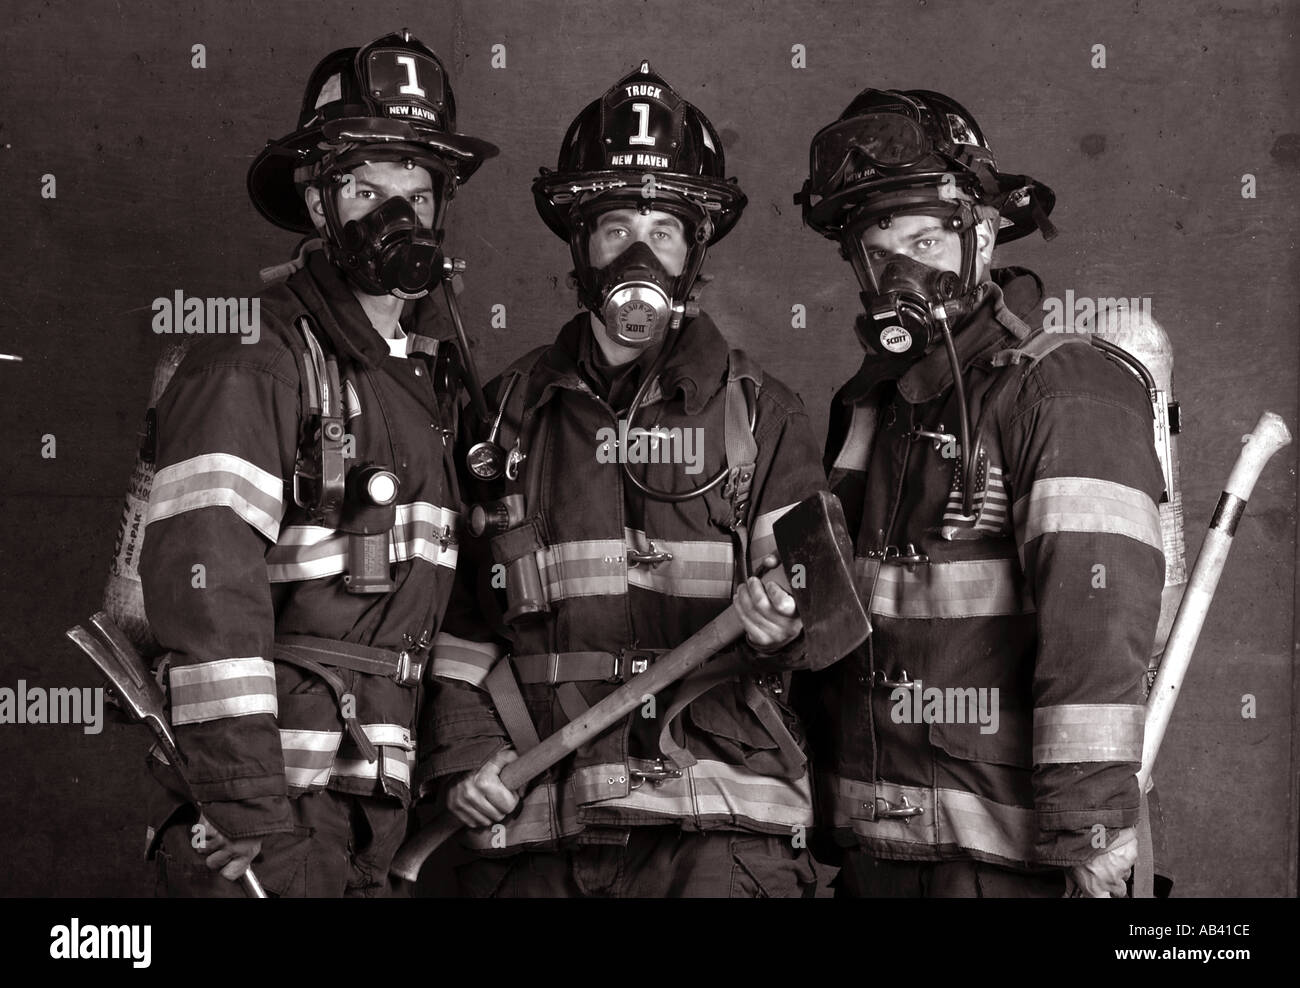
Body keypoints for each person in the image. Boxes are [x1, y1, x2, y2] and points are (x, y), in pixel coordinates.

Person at [422, 61, 828, 897]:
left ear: (692, 254)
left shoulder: (761, 413)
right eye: (614, 228)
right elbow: (460, 624)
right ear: (581, 248)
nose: (638, 252)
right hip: (542, 828)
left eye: (663, 230)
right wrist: (466, 760)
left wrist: (780, 619)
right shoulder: (507, 417)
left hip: (715, 833)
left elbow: (823, 620)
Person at [139, 30, 497, 896]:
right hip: (279, 815)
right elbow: (207, 602)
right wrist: (256, 825)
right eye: (366, 189)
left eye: (415, 192)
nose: (394, 218)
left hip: (371, 805)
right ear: (316, 204)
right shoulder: (256, 354)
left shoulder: (429, 376)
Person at [793, 88, 1166, 897]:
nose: (903, 272)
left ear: (984, 234)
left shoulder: (1062, 388)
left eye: (925, 238)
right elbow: (838, 625)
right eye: (878, 248)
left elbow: (1098, 632)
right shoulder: (872, 406)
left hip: (1005, 859)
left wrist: (1091, 832)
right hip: (874, 847)